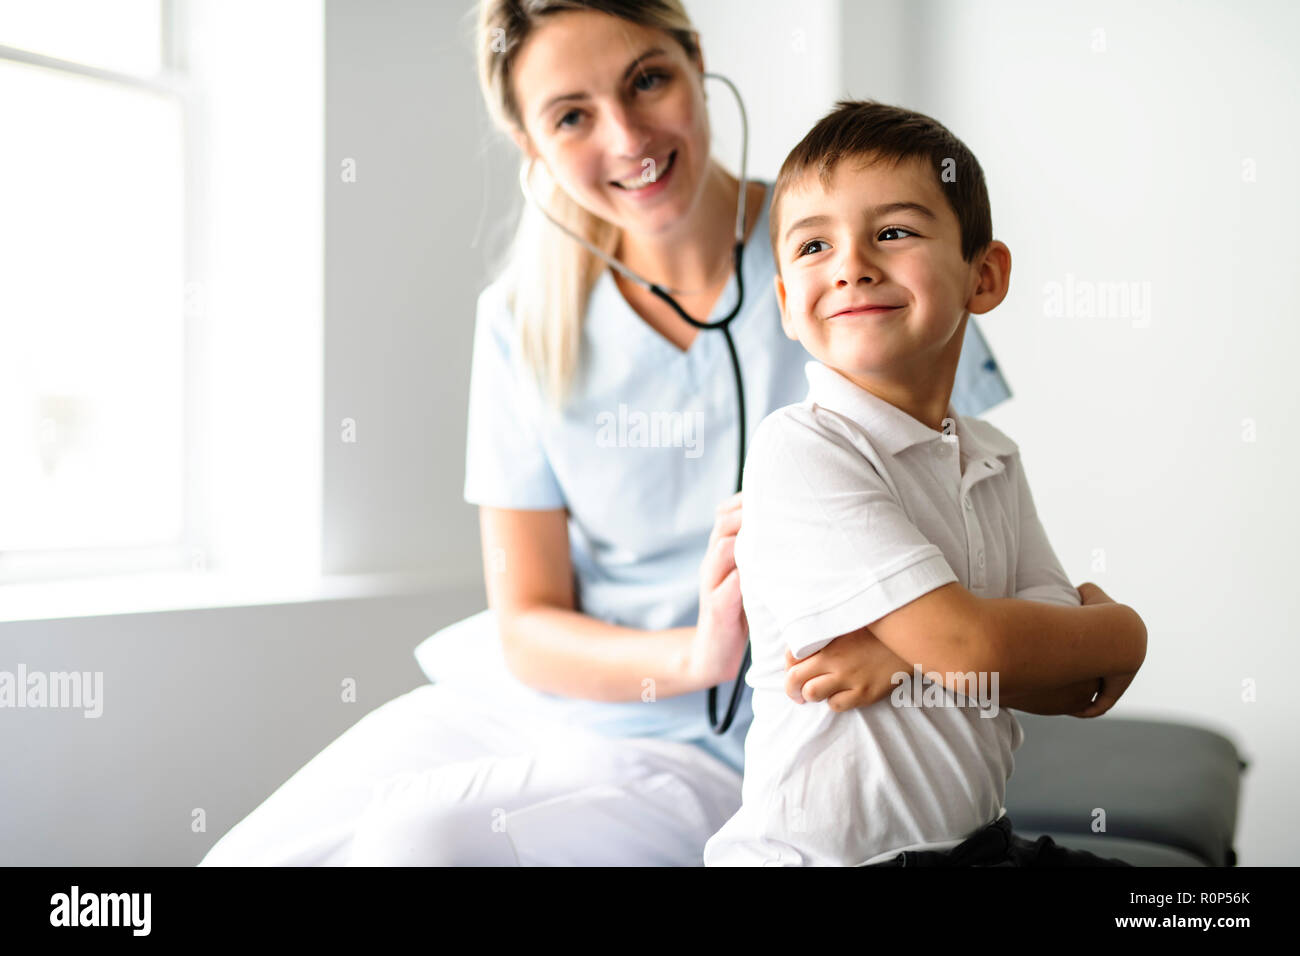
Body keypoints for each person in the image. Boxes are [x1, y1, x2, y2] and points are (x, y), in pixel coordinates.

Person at [200, 1, 1017, 867]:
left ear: (696, 61)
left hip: (725, 739)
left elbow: (963, 524)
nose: (628, 138)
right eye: (572, 116)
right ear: (530, 143)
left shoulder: (849, 259)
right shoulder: (520, 318)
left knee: (418, 844)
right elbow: (527, 621)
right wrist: (697, 653)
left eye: (647, 80)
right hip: (538, 700)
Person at [701, 100, 1147, 867]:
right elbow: (982, 649)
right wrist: (1122, 631)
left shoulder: (994, 458)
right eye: (813, 245)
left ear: (984, 275)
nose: (851, 265)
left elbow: (1068, 686)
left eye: (894, 233)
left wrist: (910, 660)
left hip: (976, 846)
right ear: (785, 306)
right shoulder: (800, 449)